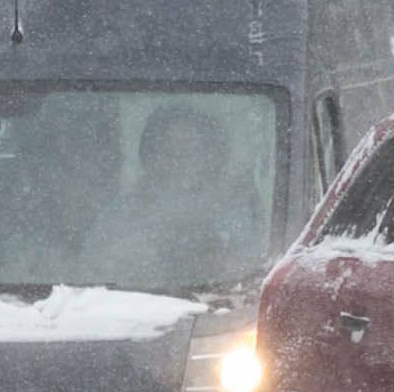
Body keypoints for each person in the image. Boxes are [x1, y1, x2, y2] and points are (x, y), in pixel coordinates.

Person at [83, 105, 261, 287]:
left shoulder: (232, 214)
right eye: (168, 150)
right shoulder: (122, 214)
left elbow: (250, 273)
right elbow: (93, 273)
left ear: (212, 157)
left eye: (191, 150)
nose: (179, 160)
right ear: (149, 156)